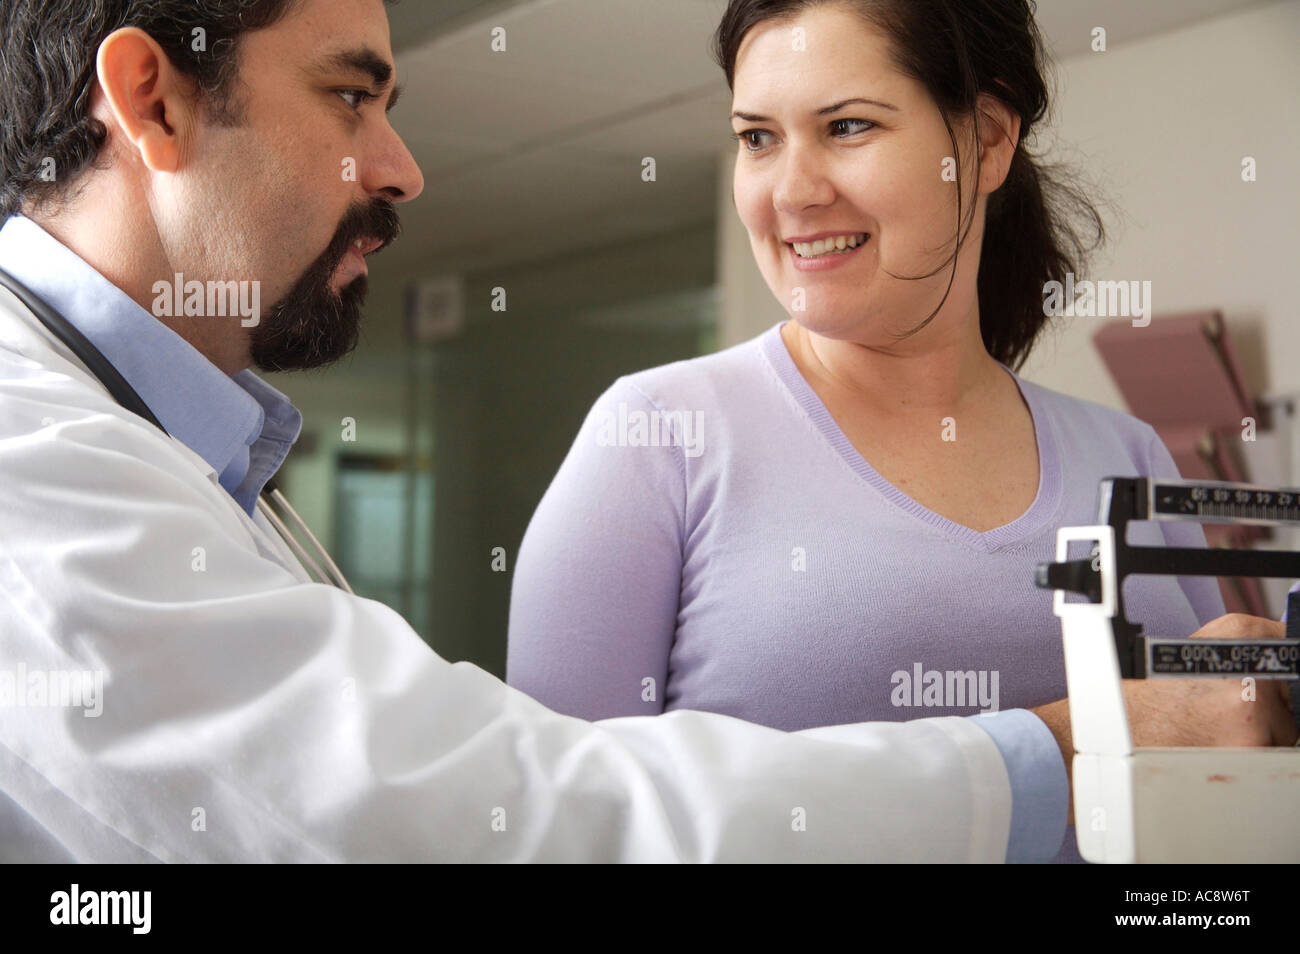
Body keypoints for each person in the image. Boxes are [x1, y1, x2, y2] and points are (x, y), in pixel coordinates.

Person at [505, 0, 1299, 863]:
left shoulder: (1128, 456)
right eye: (758, 138)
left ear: (988, 141)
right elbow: (553, 823)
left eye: (846, 126)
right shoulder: (658, 437)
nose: (793, 190)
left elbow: (1214, 808)